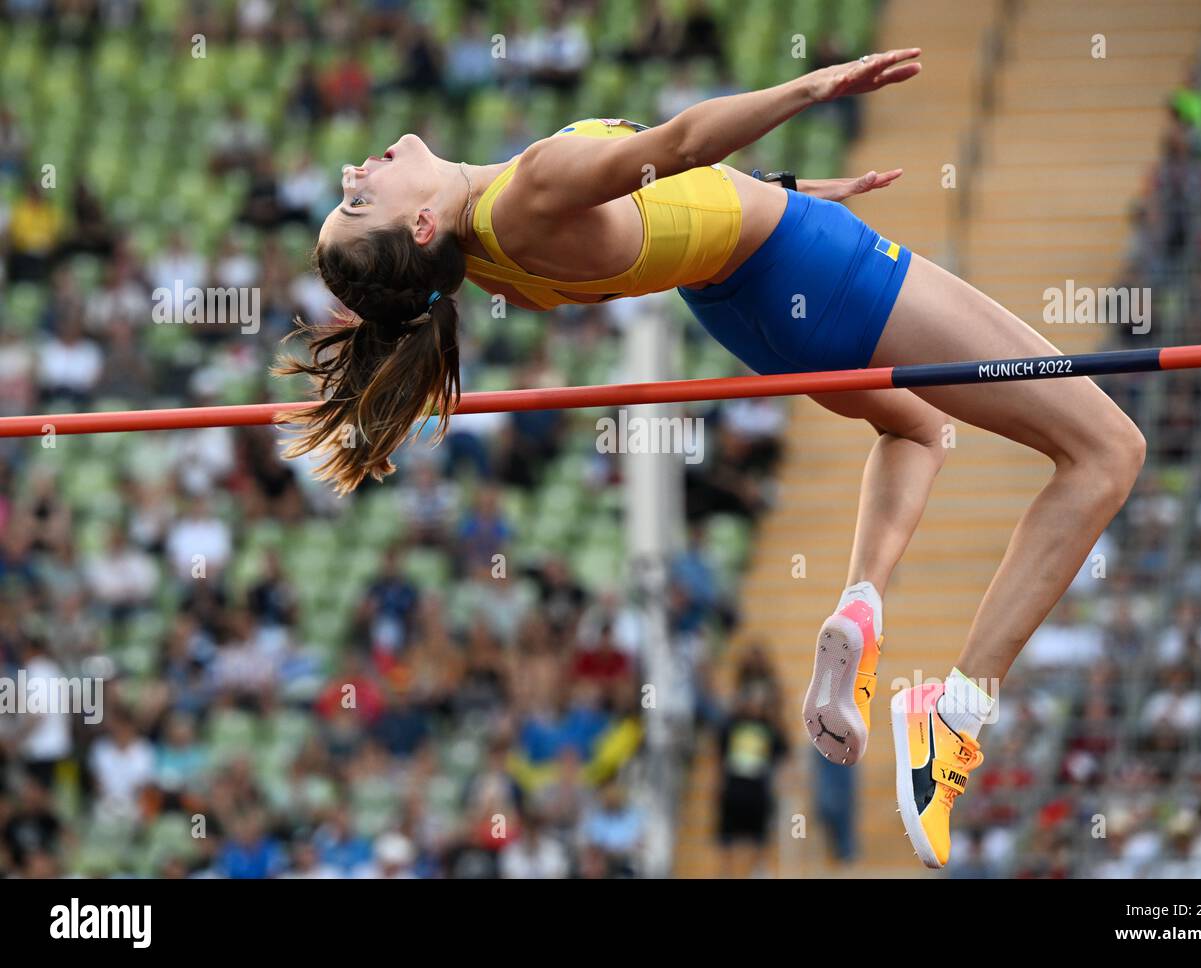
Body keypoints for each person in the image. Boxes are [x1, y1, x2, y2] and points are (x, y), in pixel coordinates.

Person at [289, 48, 1146, 869]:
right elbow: (681, 150)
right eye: (358, 204)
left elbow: (668, 214)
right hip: (803, 261)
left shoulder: (494, 266)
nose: (351, 176)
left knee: (919, 428)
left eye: (346, 193)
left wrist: (786, 189)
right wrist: (812, 91)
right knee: (1107, 452)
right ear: (423, 224)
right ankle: (958, 712)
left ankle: (861, 605)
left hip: (745, 304)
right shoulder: (529, 190)